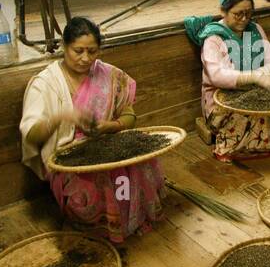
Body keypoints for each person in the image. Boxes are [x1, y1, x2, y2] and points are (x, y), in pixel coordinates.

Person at [19, 17, 165, 245]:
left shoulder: (108, 75)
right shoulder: (46, 84)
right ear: (64, 47)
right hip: (68, 155)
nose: (85, 58)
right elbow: (32, 135)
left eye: (92, 51)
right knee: (100, 181)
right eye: (78, 51)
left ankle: (128, 220)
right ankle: (101, 226)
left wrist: (112, 126)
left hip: (105, 142)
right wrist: (63, 115)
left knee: (136, 166)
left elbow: (129, 115)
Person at [184, 0, 270, 162]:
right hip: (222, 100)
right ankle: (238, 149)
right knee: (245, 119)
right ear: (223, 11)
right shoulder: (214, 38)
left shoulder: (255, 30)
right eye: (238, 14)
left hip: (255, 91)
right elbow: (217, 76)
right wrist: (255, 76)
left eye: (248, 13)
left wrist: (263, 78)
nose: (243, 19)